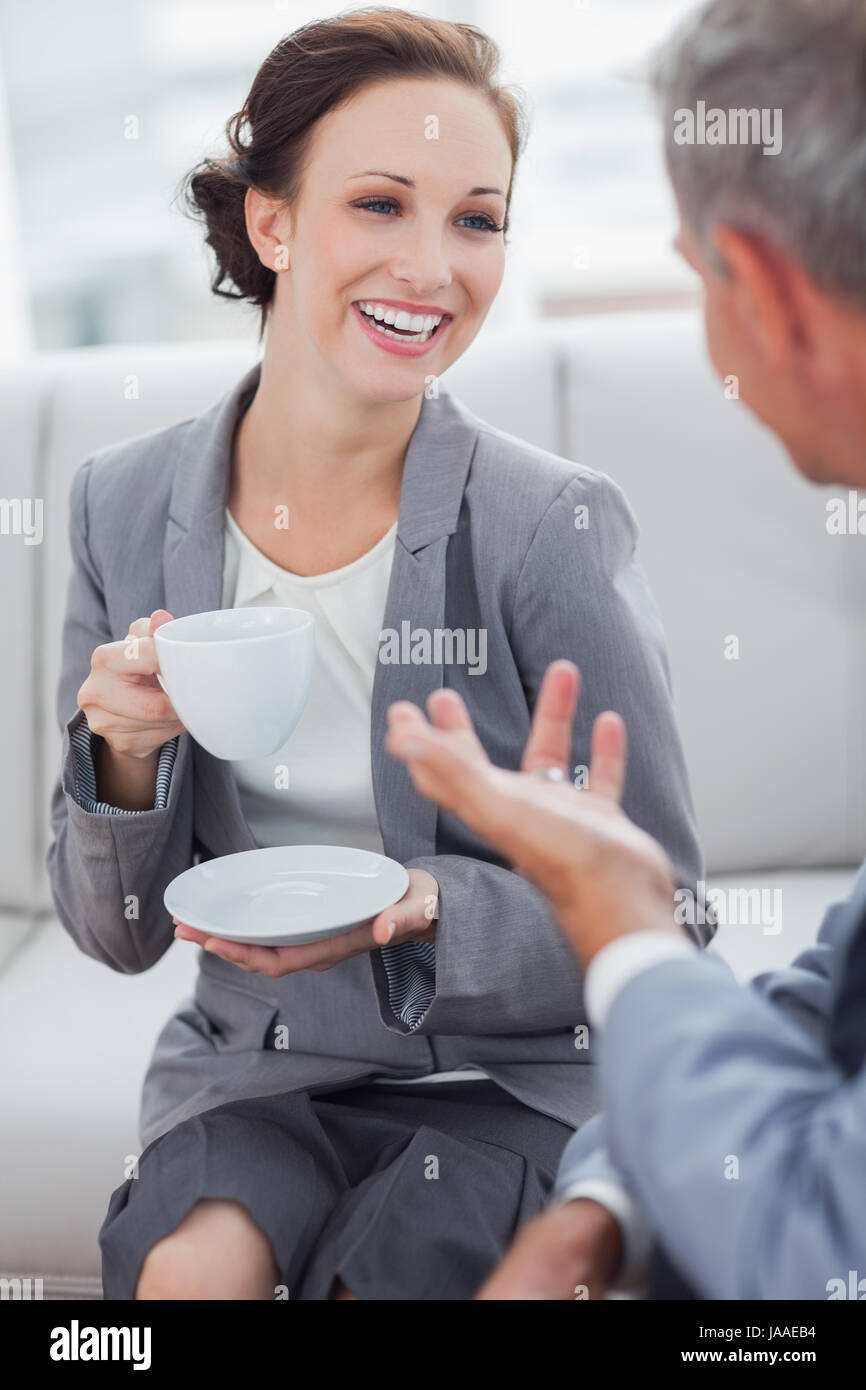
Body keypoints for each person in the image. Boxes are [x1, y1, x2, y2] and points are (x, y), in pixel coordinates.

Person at [46, 10, 704, 1300]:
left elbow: (668, 917)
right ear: (270, 225)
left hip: (511, 1076)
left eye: (477, 219)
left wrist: (431, 907)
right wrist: (121, 759)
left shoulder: (546, 527)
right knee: (189, 1280)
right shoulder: (121, 506)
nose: (431, 267)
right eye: (381, 204)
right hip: (259, 1069)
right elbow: (114, 934)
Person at [386, 0, 866, 1303]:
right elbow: (837, 997)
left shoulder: (546, 515)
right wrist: (602, 1197)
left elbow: (825, 1238)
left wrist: (620, 920)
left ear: (762, 289)